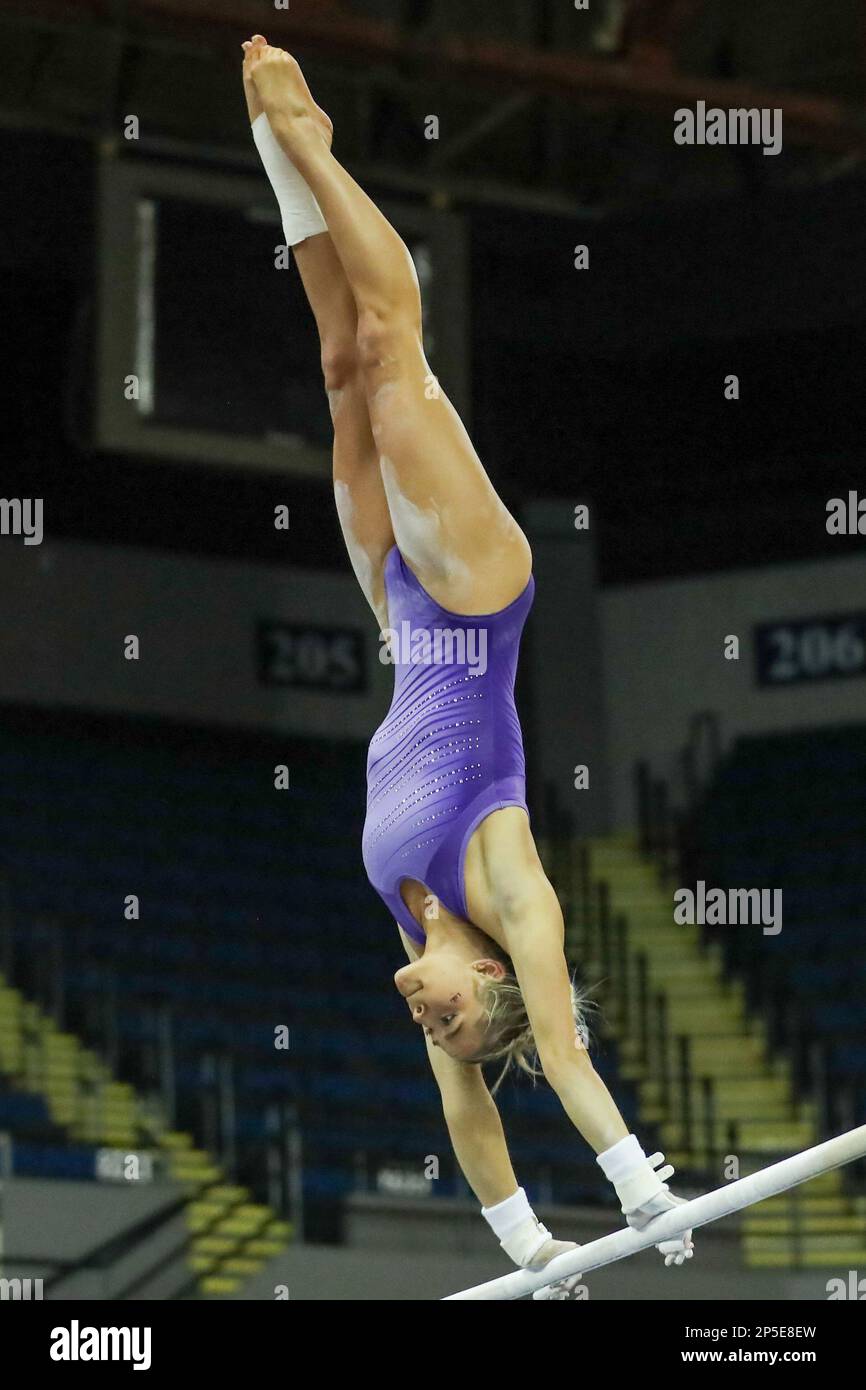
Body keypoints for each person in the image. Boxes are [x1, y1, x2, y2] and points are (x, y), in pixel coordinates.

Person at [241, 34, 693, 1296]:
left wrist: (530, 1252)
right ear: (486, 972)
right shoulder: (508, 887)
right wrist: (637, 1187)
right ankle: (312, 142)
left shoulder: (406, 910)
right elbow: (554, 1053)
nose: (422, 1016)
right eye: (444, 1015)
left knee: (337, 370)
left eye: (426, 1024)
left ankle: (285, 169)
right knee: (391, 354)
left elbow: (472, 1126)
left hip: (397, 609)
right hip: (476, 597)